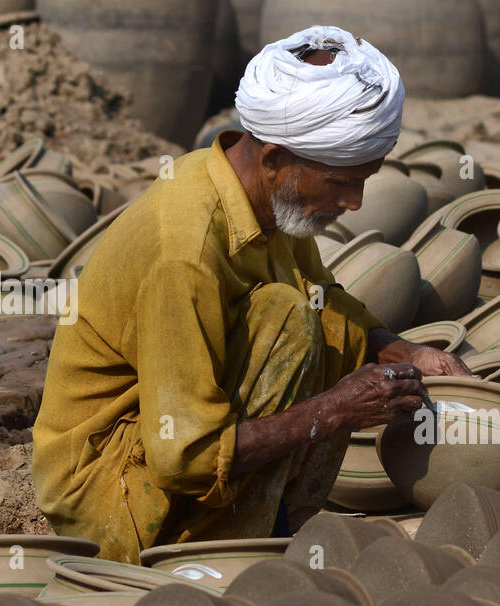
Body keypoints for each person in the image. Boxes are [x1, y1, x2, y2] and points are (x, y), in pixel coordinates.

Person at [32, 26, 472, 564]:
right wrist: (335, 411)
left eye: (365, 180)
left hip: (165, 442)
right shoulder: (185, 252)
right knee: (285, 315)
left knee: (307, 313)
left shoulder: (258, 195)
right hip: (108, 491)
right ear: (273, 160)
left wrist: (406, 353)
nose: (355, 203)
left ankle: (276, 524)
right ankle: (218, 554)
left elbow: (325, 302)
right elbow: (185, 456)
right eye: (340, 182)